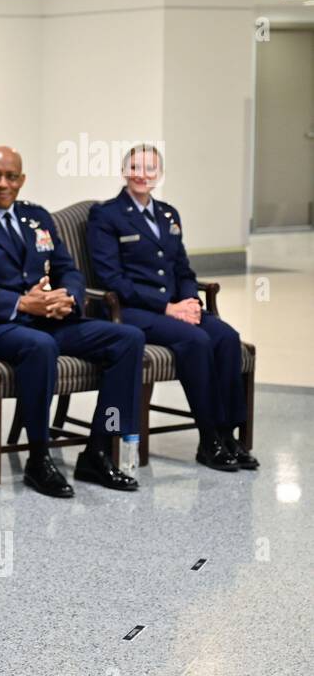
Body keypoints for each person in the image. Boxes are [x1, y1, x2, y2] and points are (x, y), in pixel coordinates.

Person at [0, 146, 144, 498]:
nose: (3, 183)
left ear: (22, 179)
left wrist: (69, 298)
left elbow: (68, 270)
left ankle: (97, 451)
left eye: (11, 176)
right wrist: (19, 303)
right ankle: (38, 457)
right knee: (40, 346)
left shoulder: (37, 218)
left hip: (48, 319)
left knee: (128, 338)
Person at [87, 144, 256, 472]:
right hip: (131, 310)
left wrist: (191, 301)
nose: (142, 174)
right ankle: (208, 440)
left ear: (159, 175)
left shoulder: (168, 214)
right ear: (124, 172)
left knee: (225, 336)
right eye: (135, 167)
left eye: (150, 168)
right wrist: (168, 308)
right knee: (196, 341)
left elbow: (183, 270)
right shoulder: (106, 215)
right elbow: (113, 279)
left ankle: (228, 432)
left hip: (175, 306)